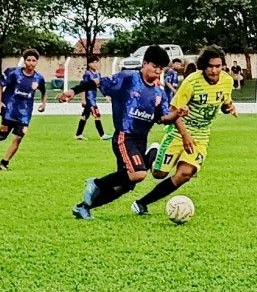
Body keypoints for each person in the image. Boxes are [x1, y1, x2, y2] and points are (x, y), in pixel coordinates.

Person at [58, 45, 184, 220]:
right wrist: (73, 91)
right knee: (138, 174)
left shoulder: (159, 93)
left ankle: (83, 207)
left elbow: (162, 118)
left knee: (125, 186)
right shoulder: (128, 78)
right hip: (125, 136)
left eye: (161, 68)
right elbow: (98, 82)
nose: (157, 71)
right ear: (145, 63)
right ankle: (96, 183)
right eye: (154, 66)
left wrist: (176, 114)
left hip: (141, 140)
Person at [131, 46, 236, 215]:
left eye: (218, 66)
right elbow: (174, 110)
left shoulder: (227, 81)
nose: (215, 70)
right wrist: (185, 135)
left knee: (185, 174)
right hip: (179, 132)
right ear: (203, 65)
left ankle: (142, 203)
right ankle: (154, 152)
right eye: (210, 66)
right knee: (159, 173)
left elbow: (224, 103)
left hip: (201, 136)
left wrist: (229, 108)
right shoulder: (191, 82)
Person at [0, 49, 47, 170]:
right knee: (2, 136)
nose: (31, 62)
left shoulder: (39, 78)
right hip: (9, 111)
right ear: (24, 61)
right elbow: (1, 85)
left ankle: (4, 163)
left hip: (24, 115)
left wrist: (43, 103)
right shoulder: (13, 73)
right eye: (28, 60)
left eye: (33, 60)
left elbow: (44, 91)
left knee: (18, 138)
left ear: (37, 62)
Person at [75, 55, 111, 140]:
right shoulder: (87, 74)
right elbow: (83, 86)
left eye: (96, 62)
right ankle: (102, 135)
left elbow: (100, 86)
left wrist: (106, 94)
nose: (95, 64)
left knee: (84, 116)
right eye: (93, 62)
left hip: (93, 98)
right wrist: (83, 99)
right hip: (89, 99)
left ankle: (78, 134)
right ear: (89, 64)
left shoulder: (98, 74)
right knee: (97, 115)